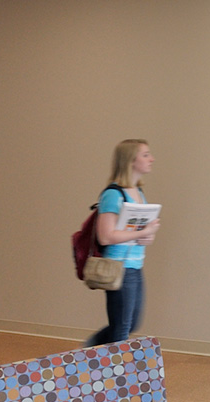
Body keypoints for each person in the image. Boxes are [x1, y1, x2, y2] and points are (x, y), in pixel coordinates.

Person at [87, 139, 160, 346]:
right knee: (122, 328)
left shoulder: (138, 193)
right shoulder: (113, 194)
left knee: (131, 323)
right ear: (130, 160)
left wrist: (147, 235)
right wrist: (143, 232)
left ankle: (89, 350)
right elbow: (106, 236)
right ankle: (113, 372)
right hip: (119, 266)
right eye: (145, 155)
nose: (151, 159)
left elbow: (138, 234)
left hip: (135, 266)